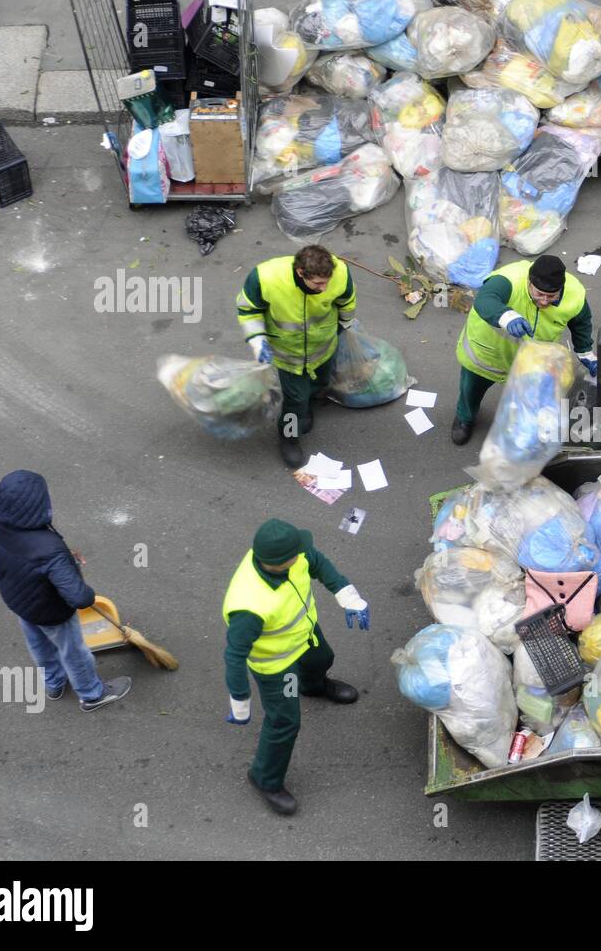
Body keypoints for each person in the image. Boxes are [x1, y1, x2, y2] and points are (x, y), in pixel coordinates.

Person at [222, 519, 370, 815]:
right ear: (277, 562)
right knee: (285, 722)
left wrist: (347, 595)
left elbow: (317, 562)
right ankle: (264, 778)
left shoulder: (295, 556)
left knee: (321, 659)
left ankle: (313, 686)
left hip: (304, 634)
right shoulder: (249, 605)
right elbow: (234, 656)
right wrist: (240, 700)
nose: (304, 552)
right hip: (279, 664)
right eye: (297, 551)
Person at [0, 470, 132, 712]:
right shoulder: (49, 548)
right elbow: (79, 597)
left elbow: (22, 554)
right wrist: (68, 567)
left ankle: (54, 683)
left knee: (38, 645)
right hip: (51, 611)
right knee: (74, 652)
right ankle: (92, 694)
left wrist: (62, 559)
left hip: (18, 599)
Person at [452, 254, 597, 445]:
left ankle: (521, 429)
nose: (544, 301)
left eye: (552, 296)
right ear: (529, 282)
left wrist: (585, 351)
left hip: (532, 360)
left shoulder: (575, 294)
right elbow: (485, 299)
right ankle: (465, 418)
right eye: (539, 294)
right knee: (471, 389)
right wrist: (507, 317)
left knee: (530, 399)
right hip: (488, 355)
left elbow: (581, 323)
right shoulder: (509, 279)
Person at [236, 245, 357, 468]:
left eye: (327, 282)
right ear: (301, 272)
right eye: (318, 284)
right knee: (295, 402)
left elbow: (346, 303)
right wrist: (257, 342)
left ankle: (308, 406)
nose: (324, 288)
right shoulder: (265, 279)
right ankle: (289, 437)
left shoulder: (339, 272)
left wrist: (344, 325)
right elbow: (248, 310)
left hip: (324, 349)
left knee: (320, 383)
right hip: (289, 357)